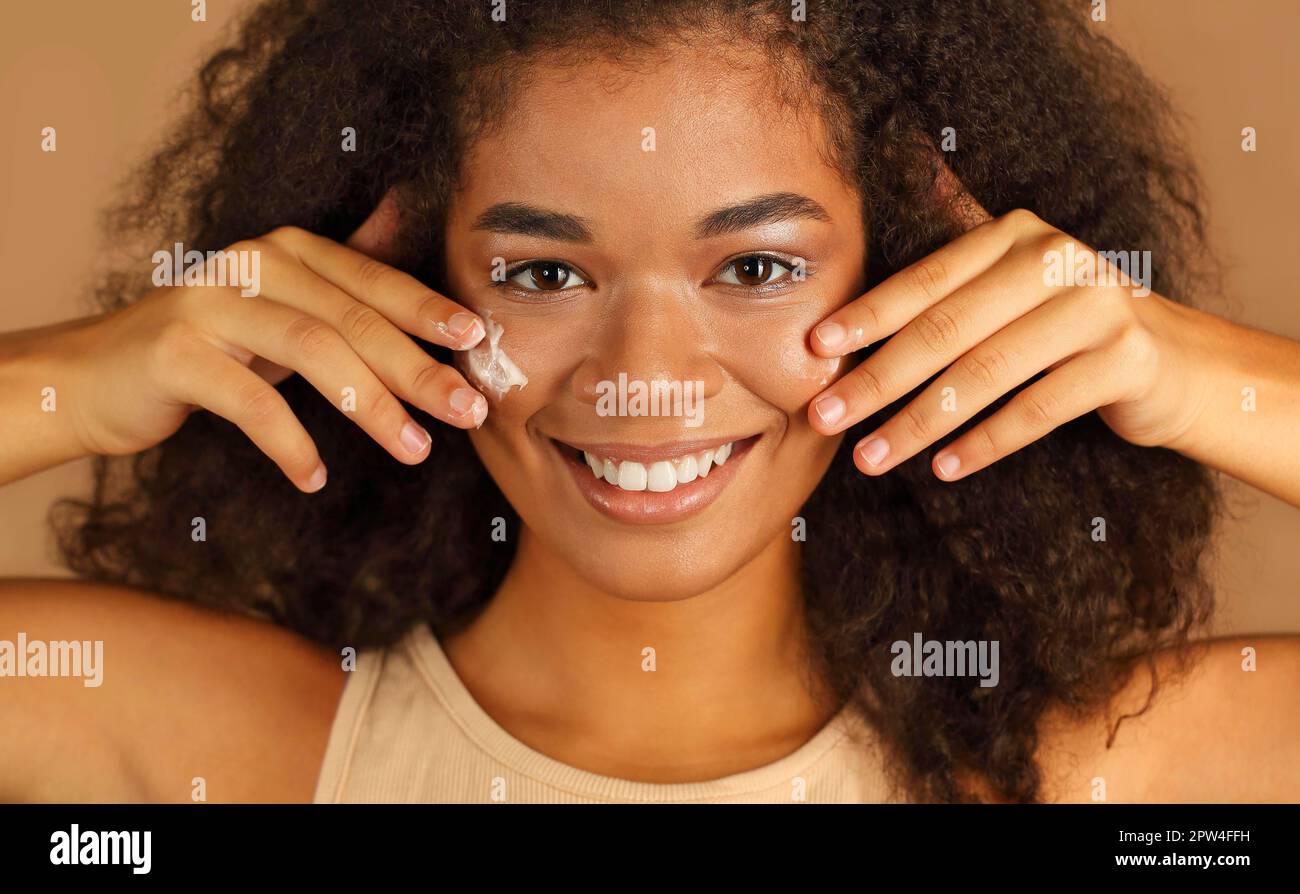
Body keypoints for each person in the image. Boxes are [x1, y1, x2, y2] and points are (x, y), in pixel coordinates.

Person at [1, 0, 1297, 803]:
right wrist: (74, 380)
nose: (645, 374)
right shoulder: (251, 751)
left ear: (913, 268)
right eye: (547, 271)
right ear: (398, 278)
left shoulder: (1086, 774)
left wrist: (1189, 373)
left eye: (755, 266)